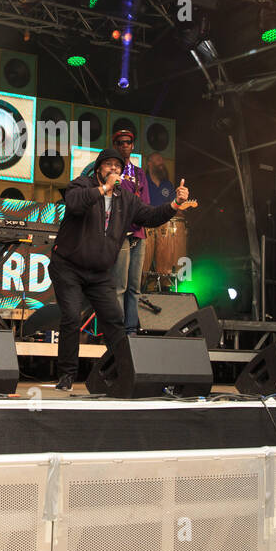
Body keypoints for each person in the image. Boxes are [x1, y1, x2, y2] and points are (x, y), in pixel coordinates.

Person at [50, 147, 189, 391]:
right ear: (99, 169)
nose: (114, 169)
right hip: (68, 266)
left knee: (115, 321)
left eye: (118, 167)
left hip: (99, 272)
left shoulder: (126, 198)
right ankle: (67, 376)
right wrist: (103, 189)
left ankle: (125, 373)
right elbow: (73, 204)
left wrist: (175, 203)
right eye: (109, 166)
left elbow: (151, 215)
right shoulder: (81, 185)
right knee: (71, 317)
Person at [109, 129, 149, 334]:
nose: (124, 145)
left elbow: (146, 204)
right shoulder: (111, 172)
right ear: (115, 146)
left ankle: (131, 330)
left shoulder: (139, 173)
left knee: (135, 286)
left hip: (138, 234)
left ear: (133, 146)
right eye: (120, 142)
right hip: (120, 234)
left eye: (128, 142)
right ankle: (116, 330)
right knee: (120, 286)